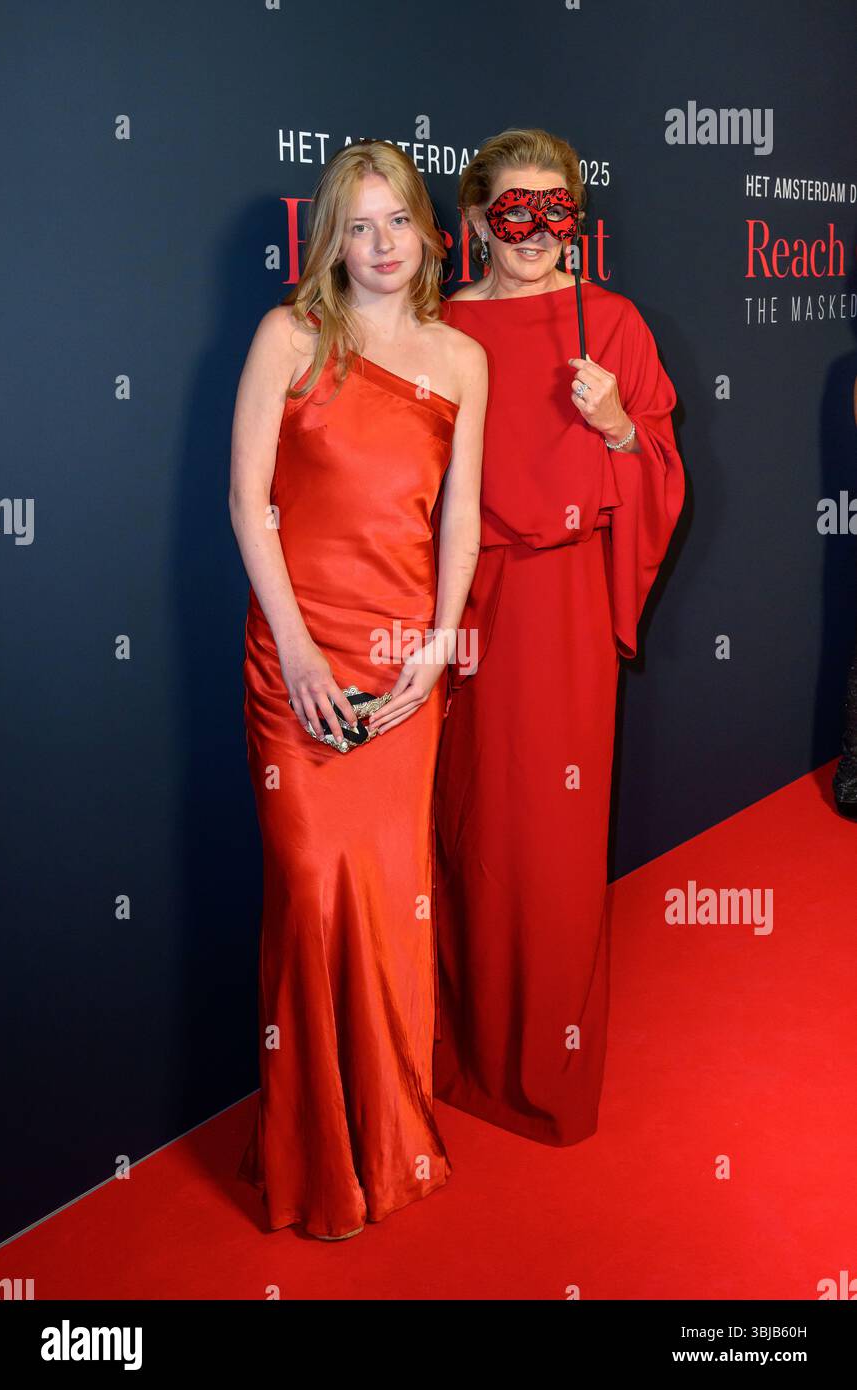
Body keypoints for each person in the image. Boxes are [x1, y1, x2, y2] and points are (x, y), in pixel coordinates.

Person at [230, 140, 486, 1238]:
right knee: (312, 892)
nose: (381, 247)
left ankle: (387, 1134)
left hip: (402, 669)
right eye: (358, 226)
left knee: (385, 905)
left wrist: (435, 648)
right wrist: (292, 649)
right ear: (327, 239)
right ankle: (316, 1163)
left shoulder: (458, 357)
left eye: (398, 223)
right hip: (296, 660)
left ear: (426, 232)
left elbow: (457, 518)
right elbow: (249, 503)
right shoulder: (289, 338)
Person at [433, 127, 685, 1146]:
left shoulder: (611, 322)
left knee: (552, 836)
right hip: (455, 602)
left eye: (553, 209)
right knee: (465, 824)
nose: (533, 230)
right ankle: (457, 1048)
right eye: (513, 210)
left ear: (576, 218)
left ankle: (542, 1063)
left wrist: (621, 425)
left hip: (564, 606)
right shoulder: (438, 324)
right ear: (475, 221)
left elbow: (661, 469)